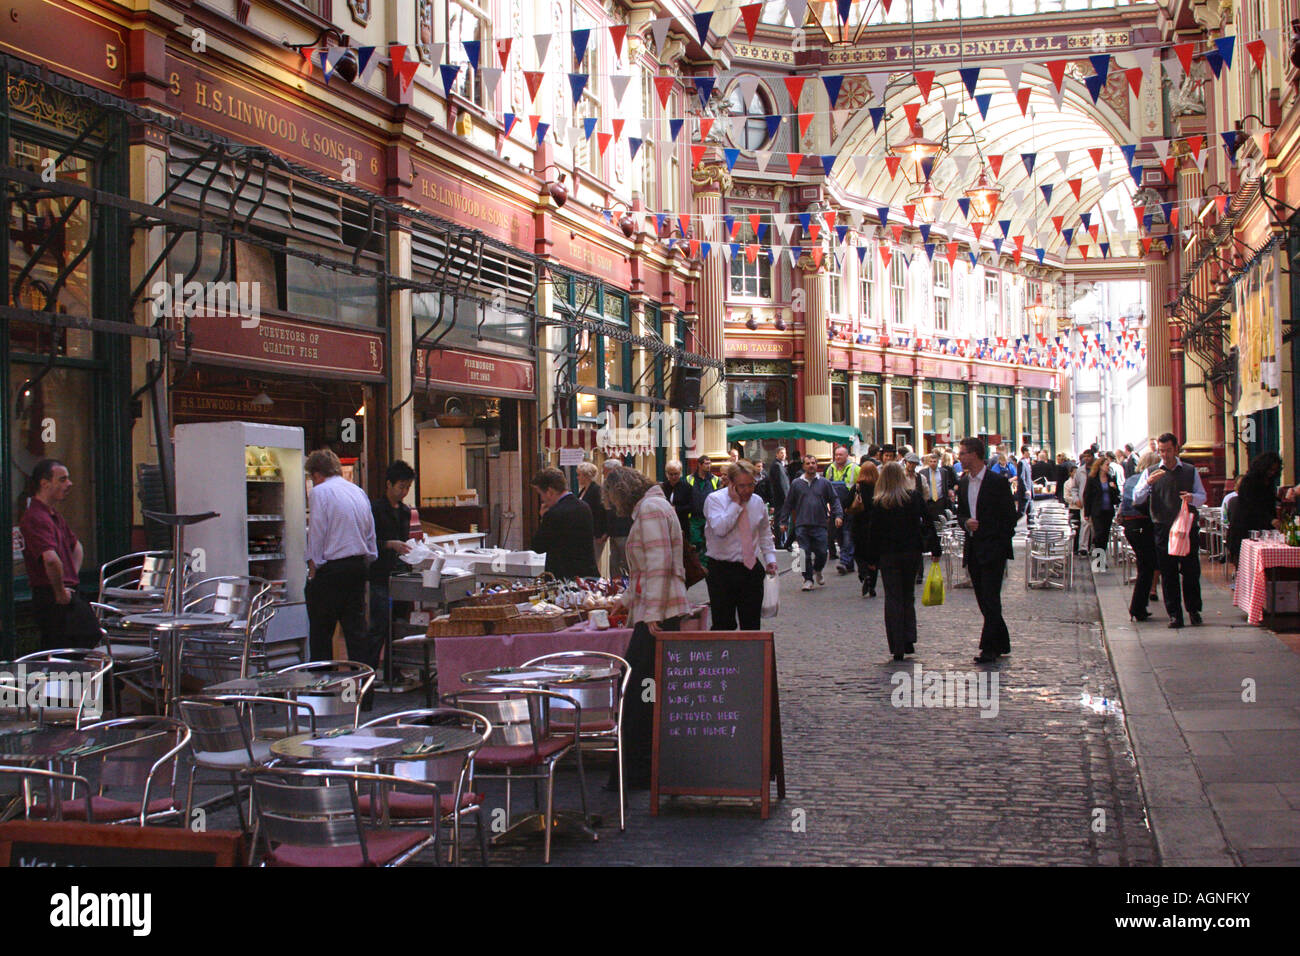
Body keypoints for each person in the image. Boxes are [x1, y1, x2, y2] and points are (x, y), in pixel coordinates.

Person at [608, 466, 688, 793]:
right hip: (656, 610)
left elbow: (659, 565)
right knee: (644, 691)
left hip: (658, 613)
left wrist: (651, 611)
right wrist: (626, 600)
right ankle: (642, 768)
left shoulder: (650, 510)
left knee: (639, 693)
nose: (613, 507)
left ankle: (639, 770)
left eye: (612, 500)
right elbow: (647, 570)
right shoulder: (653, 507)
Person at [305, 449, 378, 665]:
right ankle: (365, 691)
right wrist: (369, 558)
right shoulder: (357, 491)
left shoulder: (319, 492)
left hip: (332, 569)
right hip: (358, 566)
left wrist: (314, 568)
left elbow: (317, 532)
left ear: (316, 474)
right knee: (356, 633)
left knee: (321, 635)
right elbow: (370, 531)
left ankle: (322, 691)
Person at [19, 459, 100, 649]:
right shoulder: (36, 517)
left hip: (66, 592)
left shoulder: (53, 515)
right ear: (44, 483)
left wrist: (70, 577)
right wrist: (60, 590)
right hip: (51, 596)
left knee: (83, 643)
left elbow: (76, 546)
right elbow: (50, 559)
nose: (69, 484)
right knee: (64, 652)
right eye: (62, 479)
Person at [864, 461, 941, 661]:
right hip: (911, 552)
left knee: (893, 598)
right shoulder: (913, 498)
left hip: (888, 555)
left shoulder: (880, 502)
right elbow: (928, 521)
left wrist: (870, 559)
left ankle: (896, 643)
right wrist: (935, 546)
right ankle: (908, 638)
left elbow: (873, 533)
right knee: (908, 596)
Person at [1133, 433, 1207, 628]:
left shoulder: (1190, 471)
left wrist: (1192, 497)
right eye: (1161, 451)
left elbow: (1202, 496)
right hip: (1162, 527)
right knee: (1168, 572)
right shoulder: (1151, 471)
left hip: (1186, 527)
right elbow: (1137, 498)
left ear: (1176, 449)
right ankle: (1174, 614)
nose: (1164, 455)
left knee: (1191, 571)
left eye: (1167, 450)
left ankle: (1193, 610)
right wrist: (1148, 485)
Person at [956, 437, 1017, 663]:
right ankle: (1001, 641)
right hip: (973, 547)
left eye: (963, 453)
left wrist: (997, 539)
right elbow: (961, 513)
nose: (960, 457)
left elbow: (1010, 516)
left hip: (993, 548)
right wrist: (965, 523)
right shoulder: (963, 483)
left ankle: (989, 647)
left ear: (974, 454)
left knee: (991, 597)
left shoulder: (996, 482)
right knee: (983, 598)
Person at [703, 461, 778, 629]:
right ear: (730, 483)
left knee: (751, 624)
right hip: (722, 570)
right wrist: (735, 504)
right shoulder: (714, 500)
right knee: (723, 624)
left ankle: (751, 655)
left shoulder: (757, 502)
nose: (748, 490)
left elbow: (764, 533)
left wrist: (770, 558)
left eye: (751, 485)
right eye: (742, 486)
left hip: (750, 569)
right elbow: (720, 529)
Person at [368, 460, 415, 672]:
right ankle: (369, 674)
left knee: (399, 626)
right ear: (389, 484)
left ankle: (393, 670)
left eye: (407, 487)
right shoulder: (374, 509)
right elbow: (367, 543)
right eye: (401, 487)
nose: (404, 492)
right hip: (380, 574)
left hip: (401, 574)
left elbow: (406, 540)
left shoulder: (406, 511)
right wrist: (389, 544)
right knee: (379, 626)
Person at [778, 454, 843, 591]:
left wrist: (838, 515)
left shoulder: (824, 483)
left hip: (820, 524)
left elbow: (834, 499)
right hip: (802, 524)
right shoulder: (796, 484)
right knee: (803, 553)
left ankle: (818, 570)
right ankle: (807, 579)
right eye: (807, 463)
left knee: (822, 553)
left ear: (816, 464)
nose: (811, 465)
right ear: (803, 466)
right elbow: (788, 503)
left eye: (813, 463)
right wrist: (783, 521)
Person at [530, 467, 599, 580]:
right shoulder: (584, 506)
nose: (542, 499)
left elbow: (538, 546)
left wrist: (543, 518)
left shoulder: (554, 514)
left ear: (550, 492)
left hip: (563, 577)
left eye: (540, 494)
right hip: (587, 573)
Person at [1120, 452, 1160, 621]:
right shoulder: (1148, 480)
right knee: (1147, 567)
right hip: (1143, 524)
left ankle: (1139, 606)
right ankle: (1137, 607)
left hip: (1130, 526)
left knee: (1145, 566)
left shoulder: (1129, 480)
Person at [1226, 451, 1283, 563]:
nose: (1271, 473)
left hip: (1263, 528)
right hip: (1244, 527)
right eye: (1270, 470)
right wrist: (1271, 520)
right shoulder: (1249, 482)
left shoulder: (1269, 482)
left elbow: (1269, 504)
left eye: (1274, 470)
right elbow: (1251, 505)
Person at [824, 445, 858, 574]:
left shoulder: (855, 468)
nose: (838, 457)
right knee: (840, 536)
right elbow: (826, 488)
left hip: (850, 508)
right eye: (836, 455)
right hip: (835, 508)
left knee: (847, 534)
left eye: (840, 455)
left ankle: (844, 561)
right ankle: (849, 564)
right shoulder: (830, 469)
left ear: (846, 456)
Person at [850, 462, 879, 597]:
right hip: (875, 526)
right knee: (873, 556)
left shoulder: (857, 488)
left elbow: (846, 504)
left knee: (859, 553)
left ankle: (864, 573)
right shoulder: (880, 488)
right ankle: (872, 584)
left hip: (859, 525)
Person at [685, 455, 720, 564]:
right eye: (706, 463)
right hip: (694, 516)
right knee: (695, 541)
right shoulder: (689, 479)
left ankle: (706, 564)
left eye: (710, 463)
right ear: (699, 465)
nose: (709, 466)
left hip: (709, 517)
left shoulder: (714, 479)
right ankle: (698, 563)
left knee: (708, 542)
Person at [1083, 454, 1120, 553]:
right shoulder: (1092, 479)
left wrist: (1114, 488)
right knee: (1098, 534)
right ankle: (1098, 560)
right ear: (1100, 466)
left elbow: (1117, 496)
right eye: (1107, 465)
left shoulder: (1110, 478)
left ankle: (1101, 559)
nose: (1108, 467)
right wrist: (1086, 513)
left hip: (1108, 511)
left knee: (1105, 535)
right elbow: (1087, 496)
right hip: (1097, 511)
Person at [577, 462, 608, 569]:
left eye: (579, 475)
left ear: (586, 476)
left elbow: (600, 512)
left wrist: (601, 533)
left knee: (592, 562)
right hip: (585, 533)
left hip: (595, 533)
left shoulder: (596, 490)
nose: (577, 478)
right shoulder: (583, 491)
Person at [603, 459, 631, 578]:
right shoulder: (608, 485)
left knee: (625, 561)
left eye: (605, 472)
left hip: (623, 530)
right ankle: (615, 587)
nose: (603, 474)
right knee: (614, 562)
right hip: (614, 531)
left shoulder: (623, 485)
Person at [765, 447, 793, 536]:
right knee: (782, 518)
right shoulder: (777, 466)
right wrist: (786, 498)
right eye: (781, 453)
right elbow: (782, 484)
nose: (783, 455)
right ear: (777, 454)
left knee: (781, 518)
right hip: (781, 498)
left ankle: (782, 540)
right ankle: (781, 541)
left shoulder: (780, 465)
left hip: (780, 498)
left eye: (784, 453)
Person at [661, 459, 692, 532]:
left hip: (682, 523)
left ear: (680, 473)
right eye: (671, 474)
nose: (673, 477)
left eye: (676, 474)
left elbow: (692, 506)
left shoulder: (687, 487)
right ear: (667, 474)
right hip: (666, 523)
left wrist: (677, 509)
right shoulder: (663, 487)